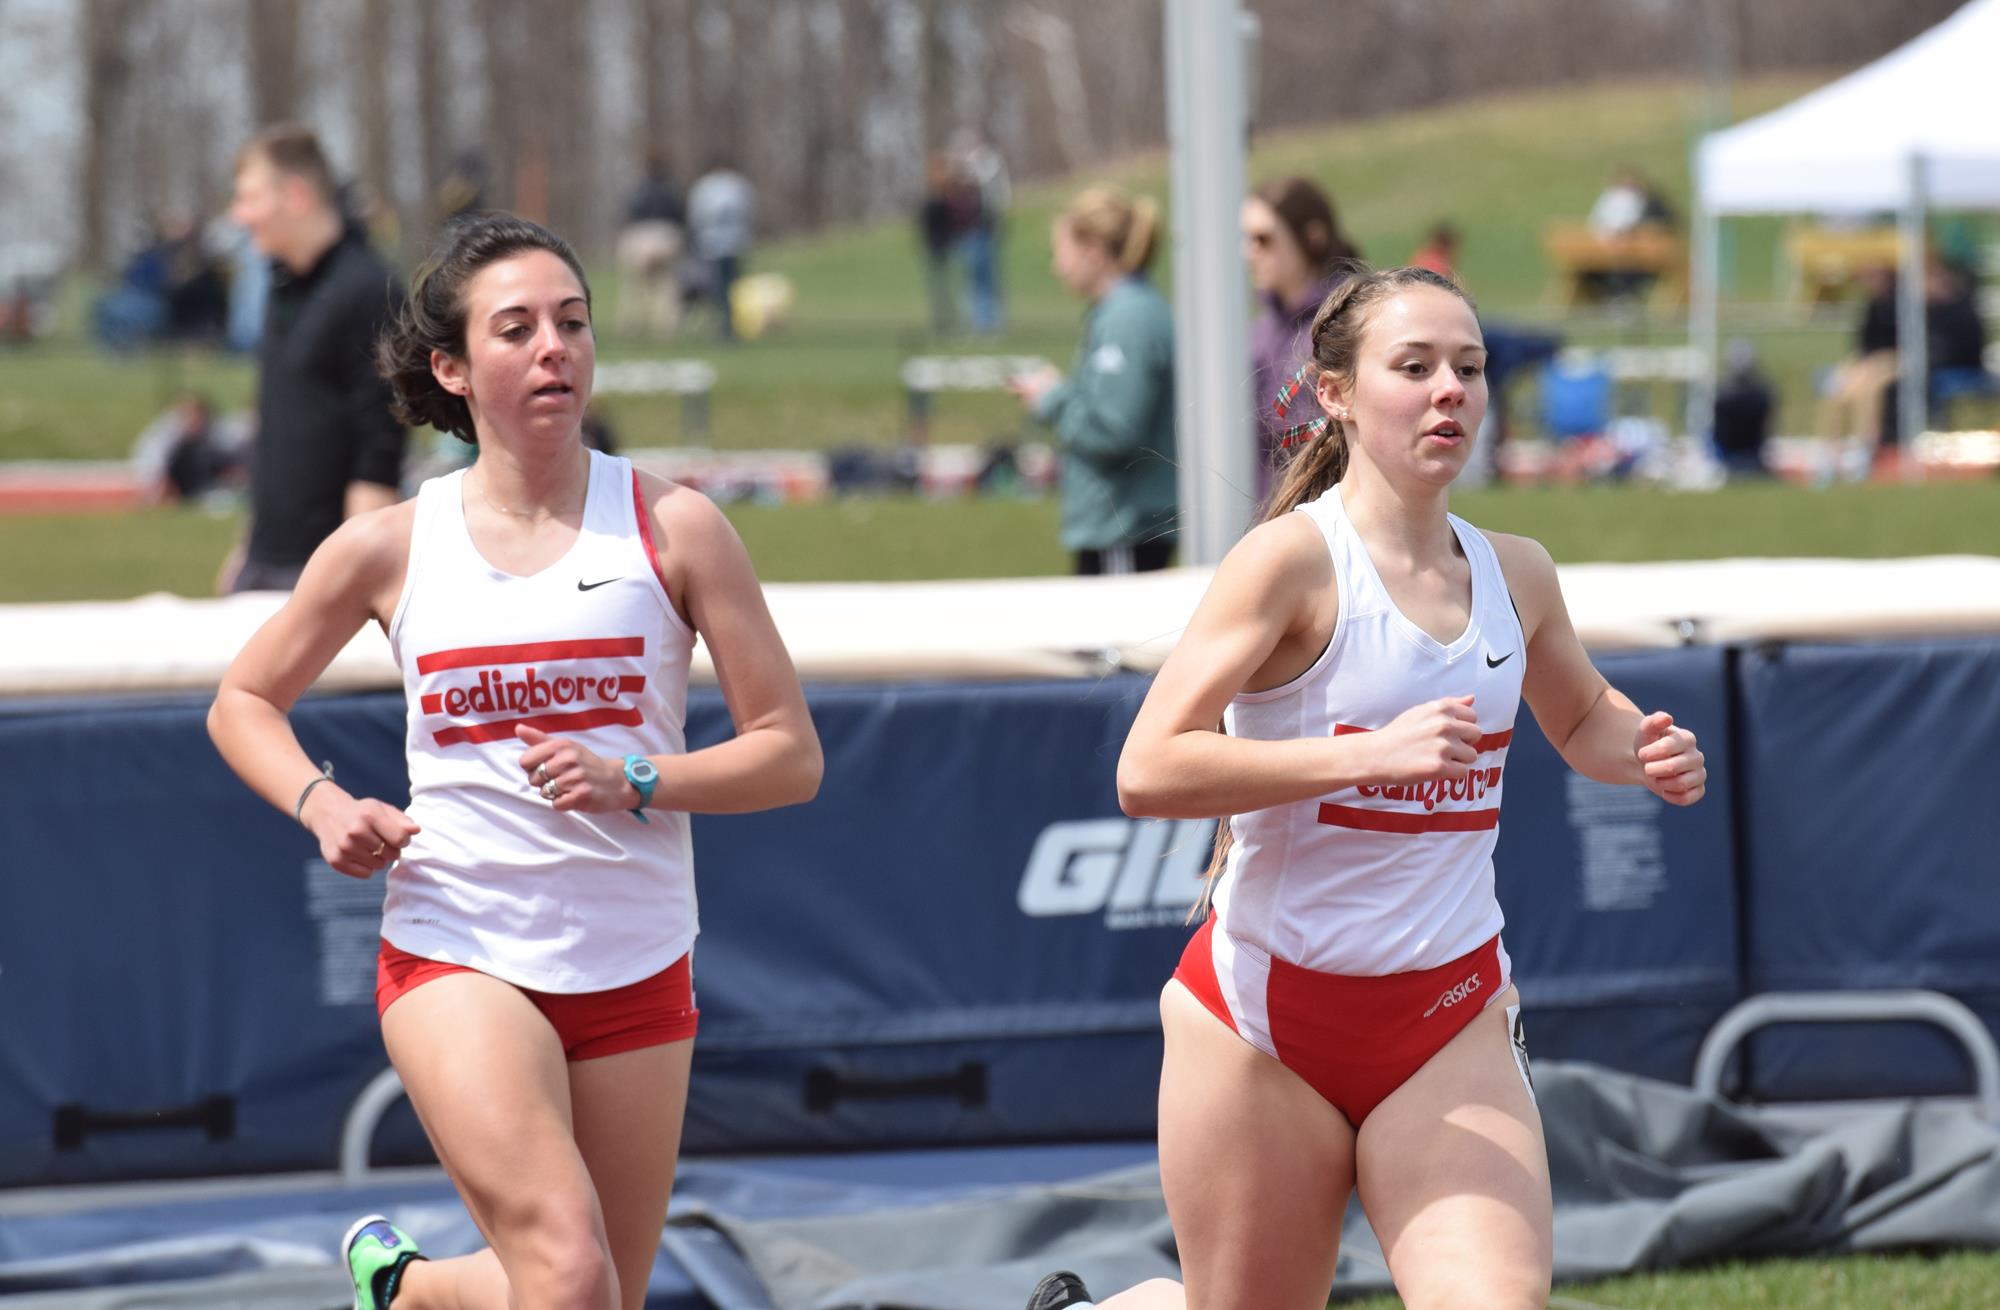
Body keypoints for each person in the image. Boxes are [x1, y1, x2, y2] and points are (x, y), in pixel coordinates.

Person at [1028, 265, 1708, 1310]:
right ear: (1335, 394)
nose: (1450, 390)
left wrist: (1641, 747)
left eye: (1469, 368)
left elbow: (1577, 717)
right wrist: (1360, 753)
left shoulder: (1514, 572)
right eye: (1415, 366)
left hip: (1446, 1017)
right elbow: (1147, 765)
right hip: (1262, 1025)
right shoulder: (1286, 566)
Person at [206, 213, 823, 1310]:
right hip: (459, 944)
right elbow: (243, 699)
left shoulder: (675, 528)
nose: (554, 346)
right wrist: (319, 802)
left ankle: (400, 1290)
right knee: (569, 1270)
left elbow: (789, 756)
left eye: (573, 322)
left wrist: (638, 777)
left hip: (633, 960)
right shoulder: (391, 545)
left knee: (586, 1292)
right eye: (518, 326)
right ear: (452, 367)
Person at [220, 123, 408, 593]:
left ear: (297, 195)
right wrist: (246, 549)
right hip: (264, 558)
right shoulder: (279, 288)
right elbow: (276, 423)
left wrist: (356, 581)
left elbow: (379, 445)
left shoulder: (370, 290)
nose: (238, 216)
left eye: (249, 198)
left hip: (323, 569)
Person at [1008, 187, 1177, 575]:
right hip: (1118, 529)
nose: (1056, 265)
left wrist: (1053, 398)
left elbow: (1114, 432)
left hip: (1122, 531)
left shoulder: (1128, 318)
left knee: (1112, 639)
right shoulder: (1124, 312)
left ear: (1094, 250)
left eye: (1062, 250)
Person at [1243, 176, 1362, 496]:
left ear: (1313, 237)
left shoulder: (1352, 320)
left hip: (1338, 523)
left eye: (1264, 239)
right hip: (1271, 518)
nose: (1250, 253)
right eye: (1246, 239)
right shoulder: (1260, 333)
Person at [616, 154, 686, 338]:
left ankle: (631, 325)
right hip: (665, 236)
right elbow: (680, 216)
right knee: (667, 286)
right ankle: (666, 328)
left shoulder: (639, 189)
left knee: (635, 287)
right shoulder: (671, 190)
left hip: (639, 237)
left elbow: (629, 214)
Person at [686, 157, 755, 341]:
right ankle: (729, 324)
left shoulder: (704, 187)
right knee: (730, 286)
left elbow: (696, 216)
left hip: (712, 244)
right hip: (734, 243)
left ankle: (724, 325)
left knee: (718, 287)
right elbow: (749, 213)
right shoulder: (738, 185)